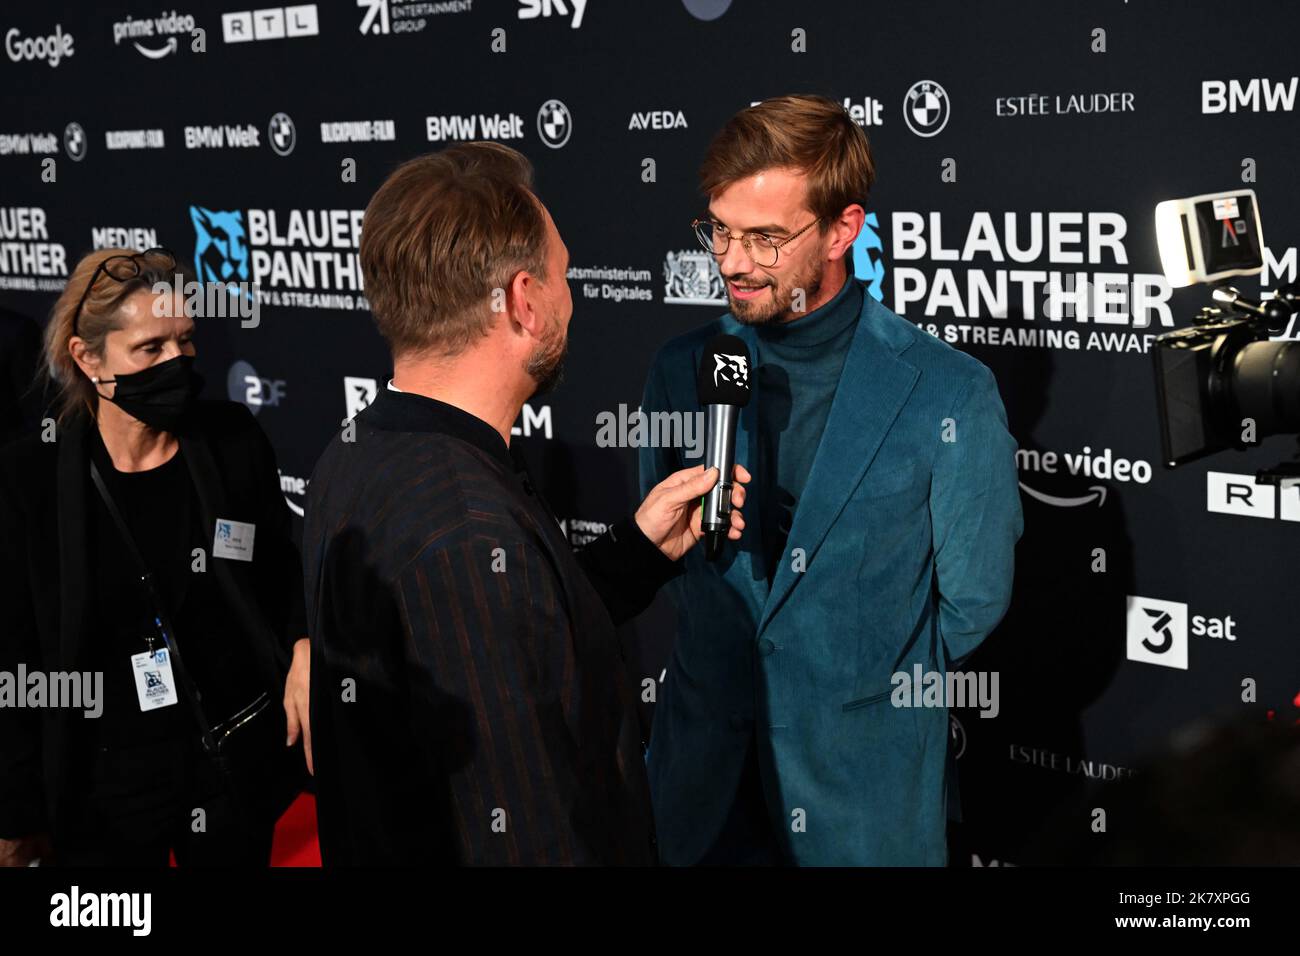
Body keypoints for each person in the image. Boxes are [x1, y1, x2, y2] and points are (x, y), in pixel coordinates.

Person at [303, 142, 748, 865]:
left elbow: (520, 644)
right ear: (522, 302)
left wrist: (636, 553)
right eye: (563, 276)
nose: (571, 298)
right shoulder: (462, 525)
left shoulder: (361, 448)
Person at [639, 95, 1024, 865]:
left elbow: (973, 599)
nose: (734, 261)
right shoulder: (681, 369)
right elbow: (671, 564)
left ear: (843, 229)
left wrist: (853, 681)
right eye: (719, 229)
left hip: (864, 801)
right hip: (702, 793)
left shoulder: (946, 390)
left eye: (766, 238)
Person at [0, 247, 311, 867]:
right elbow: (13, 650)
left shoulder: (231, 442)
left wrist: (303, 646)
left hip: (228, 762)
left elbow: (281, 571)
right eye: (150, 348)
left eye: (185, 340)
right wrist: (17, 809)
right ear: (88, 359)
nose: (177, 362)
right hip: (104, 786)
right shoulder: (27, 478)